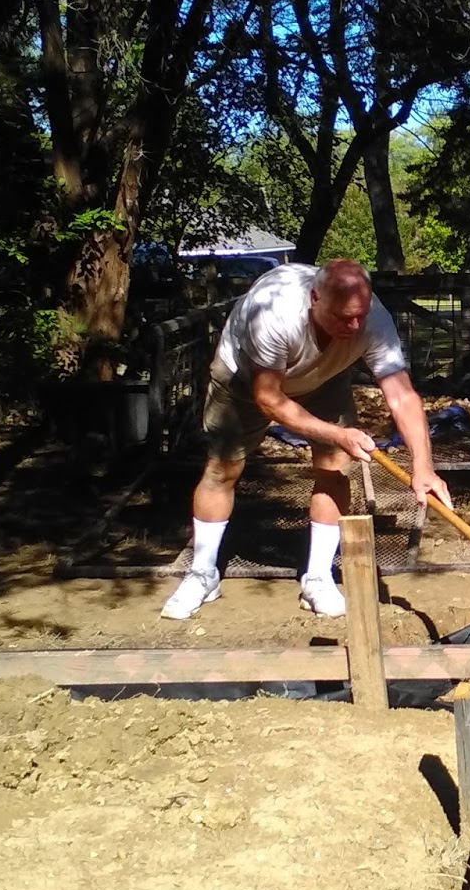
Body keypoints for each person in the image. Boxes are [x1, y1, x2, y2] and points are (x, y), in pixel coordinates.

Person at [160, 258, 452, 620]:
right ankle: (203, 574)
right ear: (315, 298)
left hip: (324, 377)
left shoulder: (372, 319)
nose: (355, 325)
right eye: (344, 318)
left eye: (360, 315)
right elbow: (268, 398)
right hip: (246, 378)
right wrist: (335, 433)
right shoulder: (273, 312)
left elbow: (402, 396)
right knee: (223, 469)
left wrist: (423, 466)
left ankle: (317, 576)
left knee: (333, 468)